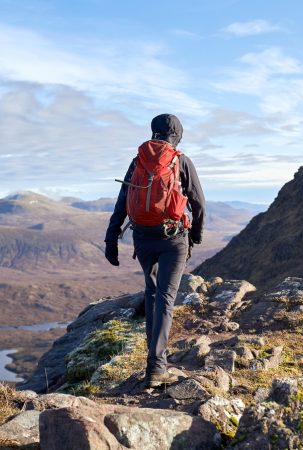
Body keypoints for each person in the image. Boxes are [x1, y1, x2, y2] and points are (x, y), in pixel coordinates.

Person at [104, 113, 205, 388]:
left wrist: (111, 238)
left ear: (153, 132)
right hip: (173, 237)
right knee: (166, 297)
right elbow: (198, 203)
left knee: (151, 292)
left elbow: (123, 200)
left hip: (143, 237)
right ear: (177, 136)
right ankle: (157, 367)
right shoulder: (180, 160)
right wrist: (195, 236)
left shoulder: (138, 160)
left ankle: (153, 361)